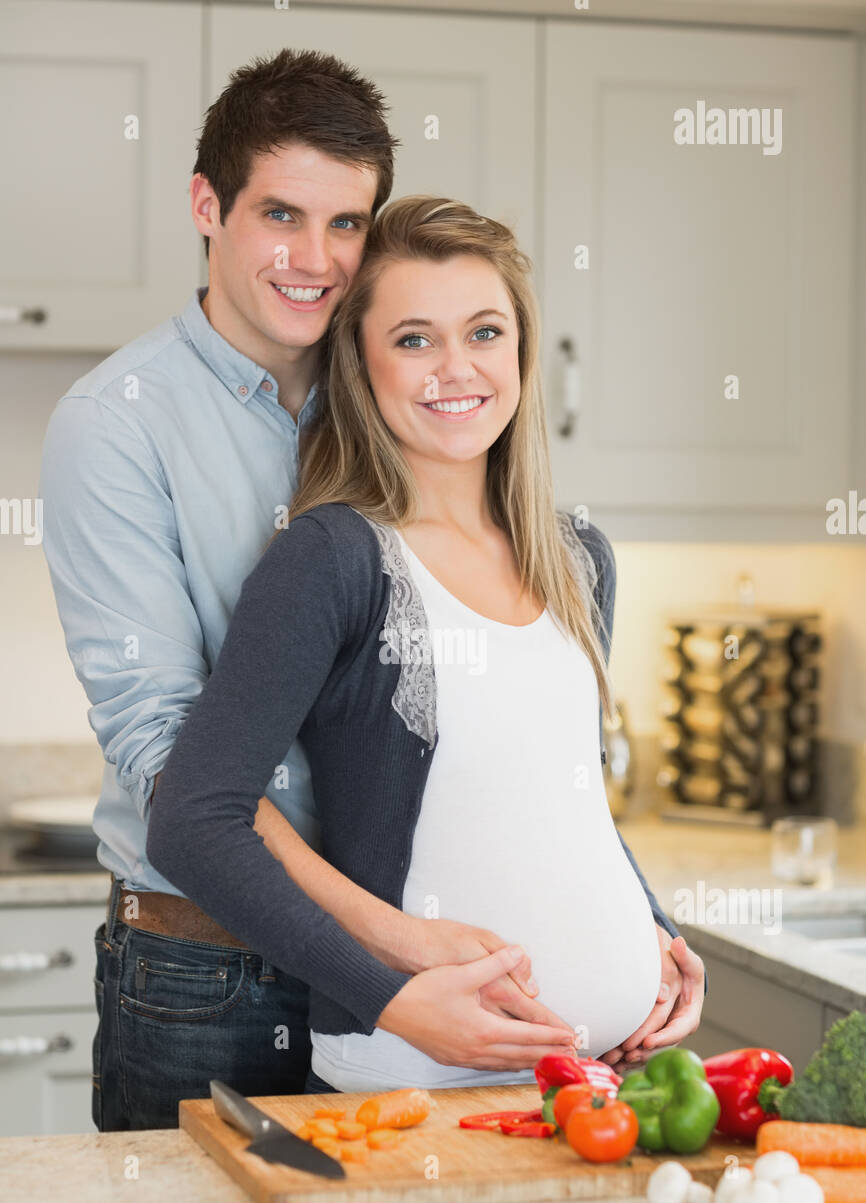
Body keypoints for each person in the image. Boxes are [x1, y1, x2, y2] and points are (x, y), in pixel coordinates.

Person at [40, 50, 601, 1131]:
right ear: (208, 206)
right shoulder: (115, 427)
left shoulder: (398, 396)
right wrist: (384, 949)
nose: (315, 259)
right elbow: (172, 765)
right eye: (280, 216)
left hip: (400, 970)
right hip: (211, 969)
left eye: (346, 224)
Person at [146, 195, 706, 1095]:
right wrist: (388, 999)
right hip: (417, 1082)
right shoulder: (332, 558)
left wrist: (653, 929)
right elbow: (191, 820)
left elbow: (563, 801)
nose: (457, 368)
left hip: (591, 1079)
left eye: (484, 331)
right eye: (414, 340)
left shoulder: (578, 558)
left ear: (522, 348)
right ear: (362, 370)